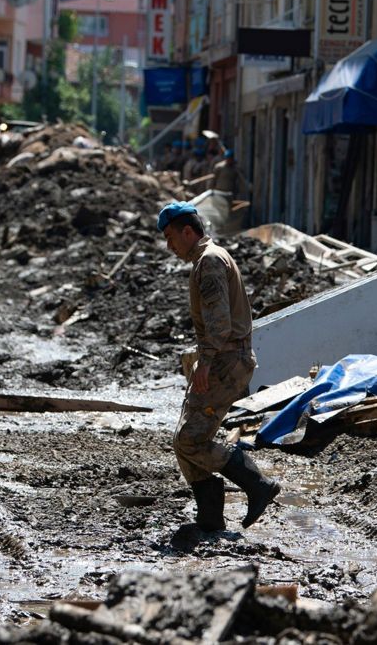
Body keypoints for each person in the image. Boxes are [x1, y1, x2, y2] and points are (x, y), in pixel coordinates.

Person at [157, 201, 280, 533]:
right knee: (185, 439)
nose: (169, 246)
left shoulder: (209, 261)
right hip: (221, 358)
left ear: (188, 230)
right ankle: (210, 517)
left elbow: (220, 323)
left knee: (190, 440)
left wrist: (205, 362)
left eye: (171, 237)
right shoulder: (205, 259)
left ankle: (257, 485)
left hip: (226, 360)